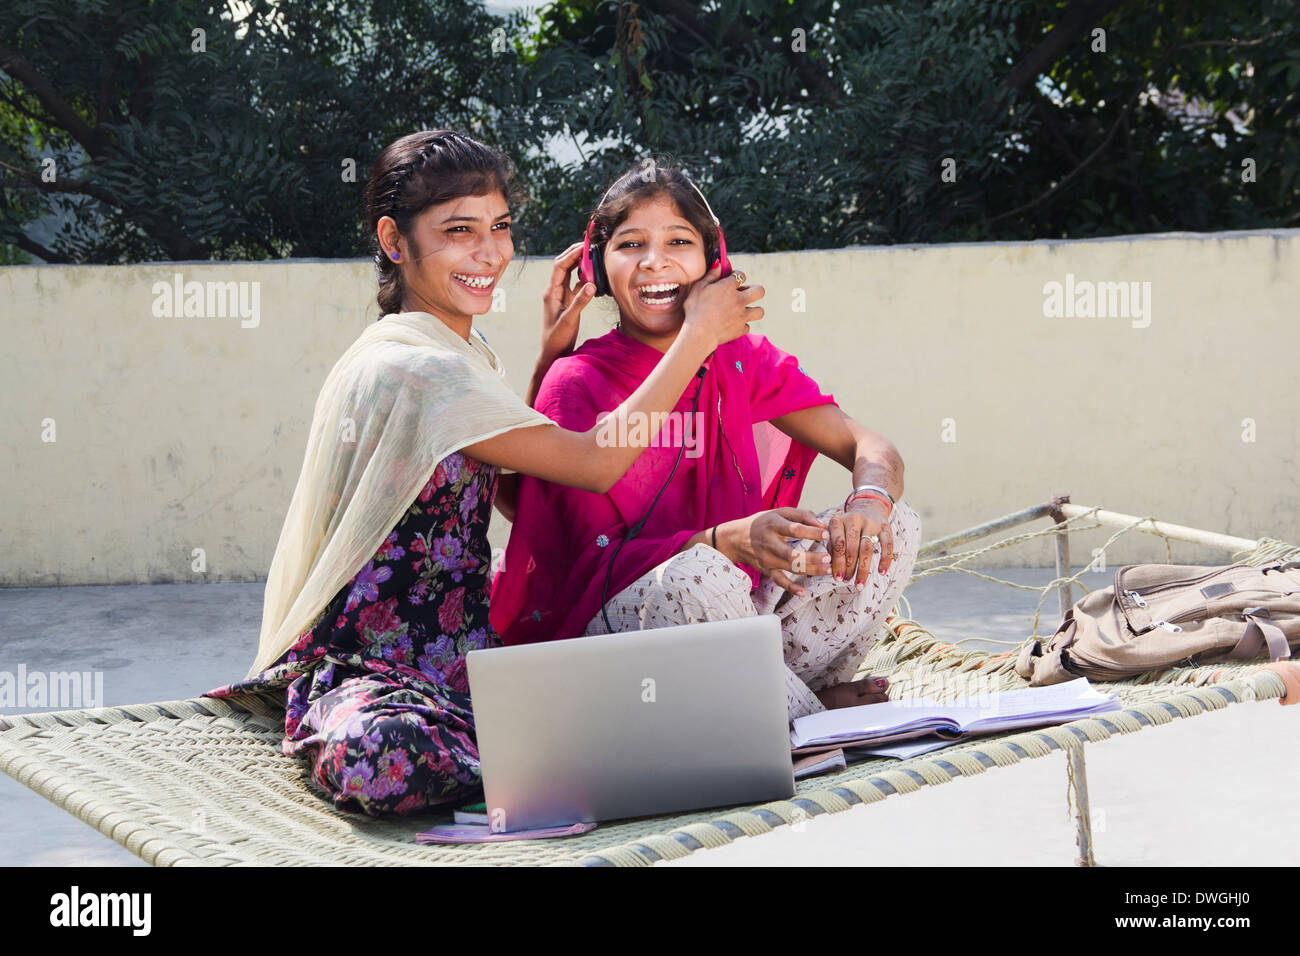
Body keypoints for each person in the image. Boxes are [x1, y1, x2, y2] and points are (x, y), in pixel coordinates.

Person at [202, 131, 760, 816]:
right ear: (394, 239)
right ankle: (565, 754)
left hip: (472, 664)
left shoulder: (462, 355)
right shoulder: (414, 366)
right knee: (381, 755)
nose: (490, 253)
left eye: (499, 227)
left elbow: (515, 493)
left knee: (656, 684)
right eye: (459, 231)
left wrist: (551, 353)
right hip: (376, 672)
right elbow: (594, 463)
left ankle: (558, 749)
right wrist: (695, 336)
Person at [490, 159, 922, 721]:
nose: (655, 262)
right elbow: (581, 562)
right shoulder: (576, 381)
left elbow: (869, 446)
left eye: (678, 241)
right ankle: (806, 714)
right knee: (702, 576)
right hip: (621, 626)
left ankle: (775, 698)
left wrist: (870, 503)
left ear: (711, 260)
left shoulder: (740, 359)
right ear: (597, 266)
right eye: (630, 244)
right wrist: (719, 542)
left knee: (897, 525)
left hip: (733, 615)